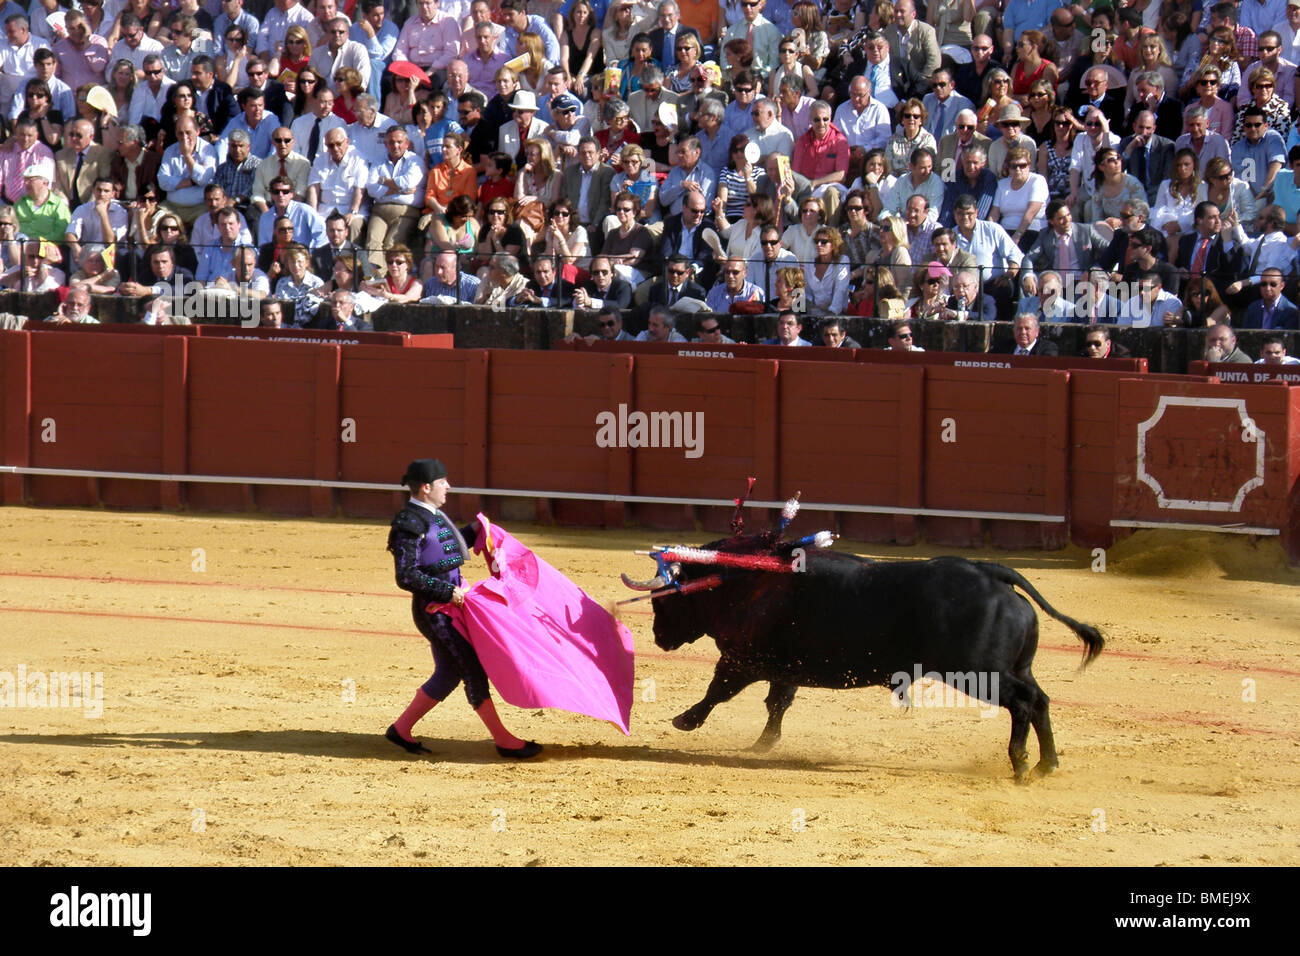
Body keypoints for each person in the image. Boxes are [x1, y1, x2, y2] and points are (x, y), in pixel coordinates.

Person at [385, 458, 541, 759]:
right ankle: (504, 740)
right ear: (426, 487)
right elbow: (406, 575)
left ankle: (400, 730)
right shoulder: (408, 523)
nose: (449, 487)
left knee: (448, 673)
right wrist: (447, 592)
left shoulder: (432, 515)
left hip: (451, 605)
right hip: (435, 611)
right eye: (443, 482)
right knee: (471, 667)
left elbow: (445, 549)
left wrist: (478, 530)